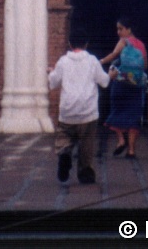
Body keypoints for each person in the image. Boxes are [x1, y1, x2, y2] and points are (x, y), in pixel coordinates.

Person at [48, 29, 109, 184]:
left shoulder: (63, 61)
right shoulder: (92, 61)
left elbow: (53, 82)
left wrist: (51, 72)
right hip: (87, 111)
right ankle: (85, 172)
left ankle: (64, 154)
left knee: (64, 137)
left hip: (67, 111)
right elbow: (104, 81)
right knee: (86, 143)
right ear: (86, 44)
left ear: (69, 44)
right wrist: (111, 76)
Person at [99, 17, 147, 159]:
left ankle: (121, 140)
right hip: (136, 85)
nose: (118, 32)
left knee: (116, 111)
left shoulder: (123, 42)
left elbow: (113, 55)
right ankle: (131, 150)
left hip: (121, 84)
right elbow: (145, 66)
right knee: (133, 117)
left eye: (121, 29)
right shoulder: (141, 45)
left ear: (129, 29)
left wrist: (100, 61)